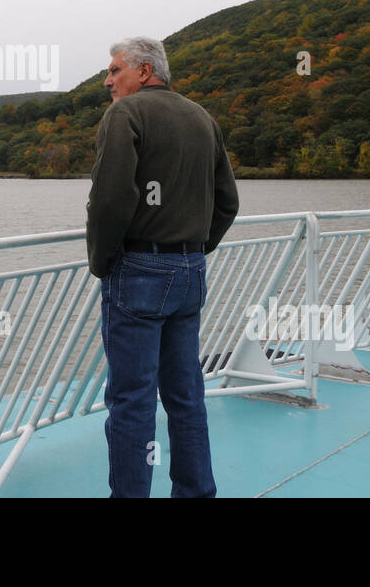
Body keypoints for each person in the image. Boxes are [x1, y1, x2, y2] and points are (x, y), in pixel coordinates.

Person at [85, 36, 240, 498]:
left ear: (145, 72)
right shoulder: (202, 118)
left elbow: (112, 198)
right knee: (186, 396)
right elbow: (228, 201)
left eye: (115, 71)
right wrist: (193, 248)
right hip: (189, 272)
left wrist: (102, 261)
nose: (108, 81)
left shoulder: (126, 115)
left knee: (131, 401)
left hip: (139, 272)